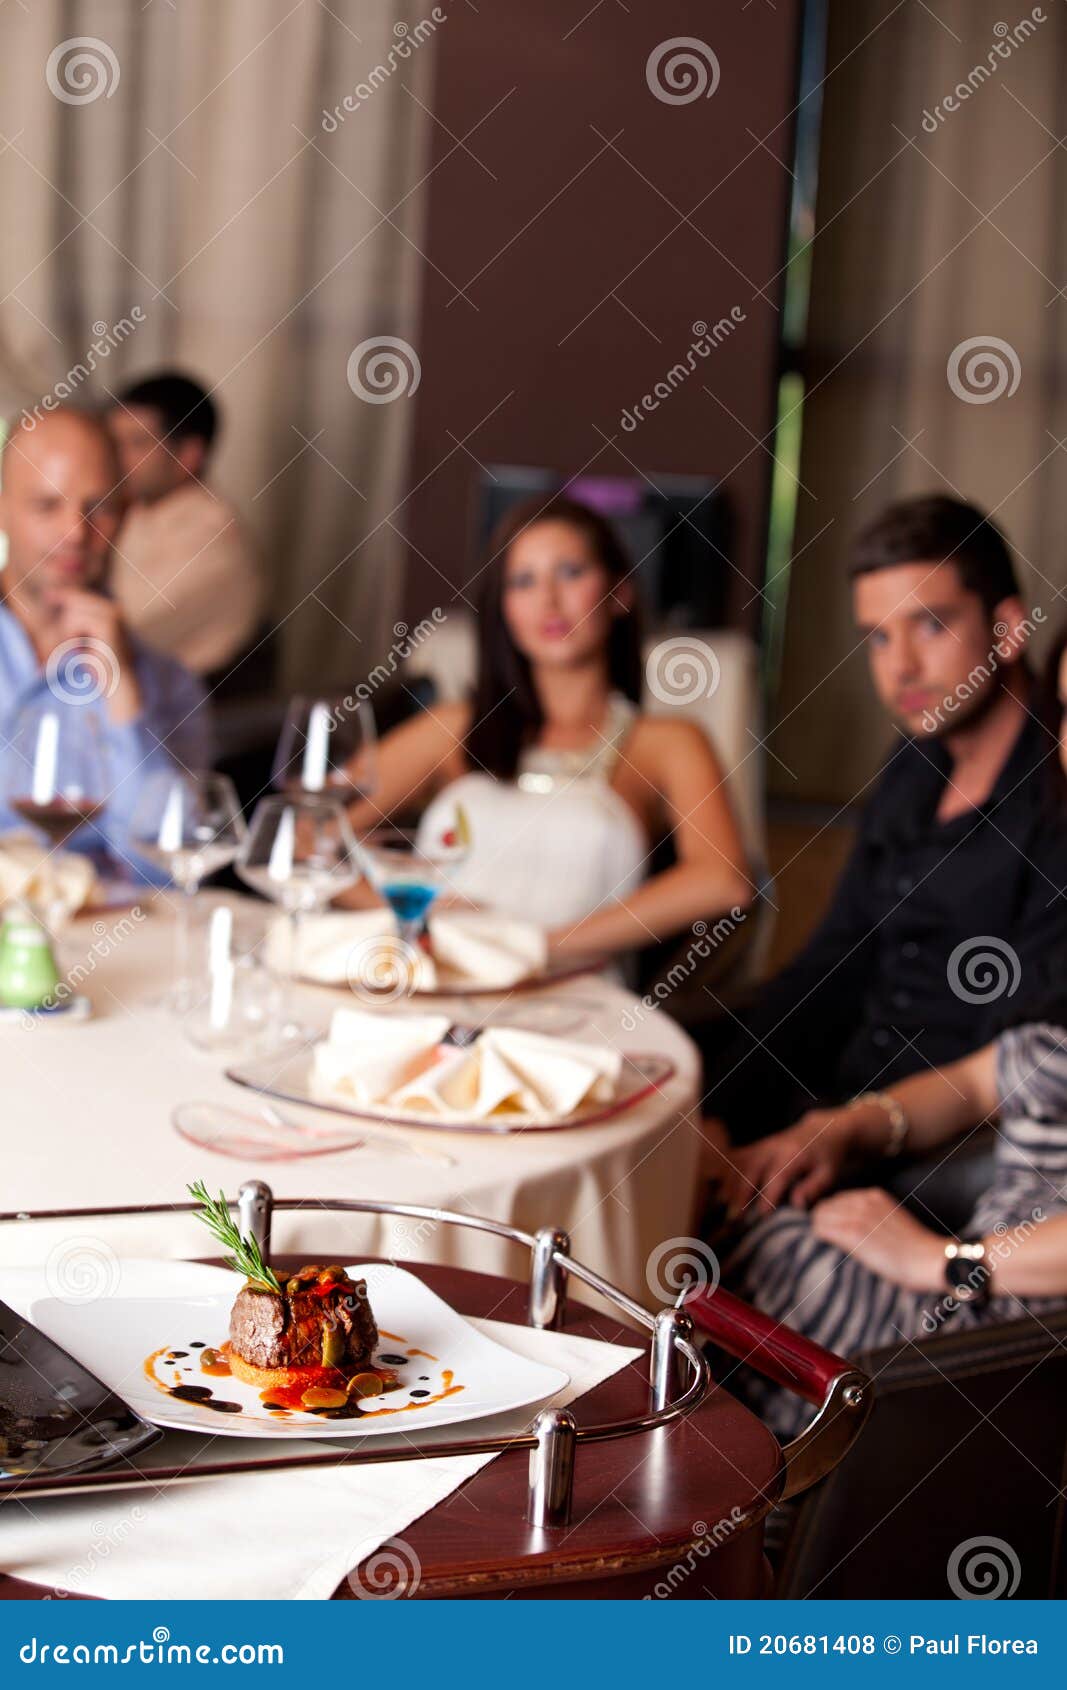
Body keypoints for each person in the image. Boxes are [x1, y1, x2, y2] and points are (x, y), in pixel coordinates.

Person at [703, 494, 1067, 1144]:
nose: (899, 667)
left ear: (1008, 630)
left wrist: (851, 1139)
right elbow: (834, 957)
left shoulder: (1055, 788)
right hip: (842, 1096)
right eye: (876, 637)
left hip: (951, 1143)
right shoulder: (913, 760)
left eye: (930, 625)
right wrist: (720, 1116)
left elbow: (1021, 1057)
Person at [342, 495, 752, 954]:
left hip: (576, 996)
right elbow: (305, 832)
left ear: (619, 593)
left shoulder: (668, 744)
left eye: (571, 573)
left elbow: (723, 881)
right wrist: (413, 913)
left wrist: (542, 949)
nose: (548, 601)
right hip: (435, 973)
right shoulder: (455, 726)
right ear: (503, 607)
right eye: (523, 581)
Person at [0, 407, 211, 863]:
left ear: (126, 515)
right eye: (47, 505)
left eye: (100, 508)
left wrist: (124, 696)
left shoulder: (171, 686)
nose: (75, 533)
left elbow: (168, 871)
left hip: (101, 930)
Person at [107, 371, 261, 676]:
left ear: (189, 454)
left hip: (186, 713)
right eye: (114, 443)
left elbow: (119, 632)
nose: (116, 458)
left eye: (136, 443)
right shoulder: (139, 509)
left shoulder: (213, 538)